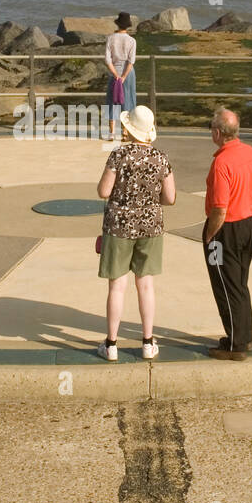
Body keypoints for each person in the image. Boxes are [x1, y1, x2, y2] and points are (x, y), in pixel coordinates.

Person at [96, 105, 175, 362]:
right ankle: (148, 343)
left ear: (128, 129)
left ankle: (111, 344)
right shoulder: (161, 158)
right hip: (150, 226)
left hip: (118, 225)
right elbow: (170, 197)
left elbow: (103, 191)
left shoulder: (118, 156)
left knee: (117, 286)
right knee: (146, 284)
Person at [203, 108, 252, 360]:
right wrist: (245, 207)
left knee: (225, 285)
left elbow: (219, 208)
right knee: (239, 282)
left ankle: (235, 345)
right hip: (249, 222)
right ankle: (243, 336)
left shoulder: (221, 163)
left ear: (218, 133)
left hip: (225, 229)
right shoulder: (251, 153)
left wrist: (209, 235)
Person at [103, 13, 137, 140]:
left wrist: (116, 75)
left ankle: (112, 132)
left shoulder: (110, 38)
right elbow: (131, 61)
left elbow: (107, 60)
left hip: (114, 73)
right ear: (127, 26)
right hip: (128, 75)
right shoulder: (132, 41)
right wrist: (123, 76)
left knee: (111, 101)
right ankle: (125, 132)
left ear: (117, 24)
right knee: (128, 101)